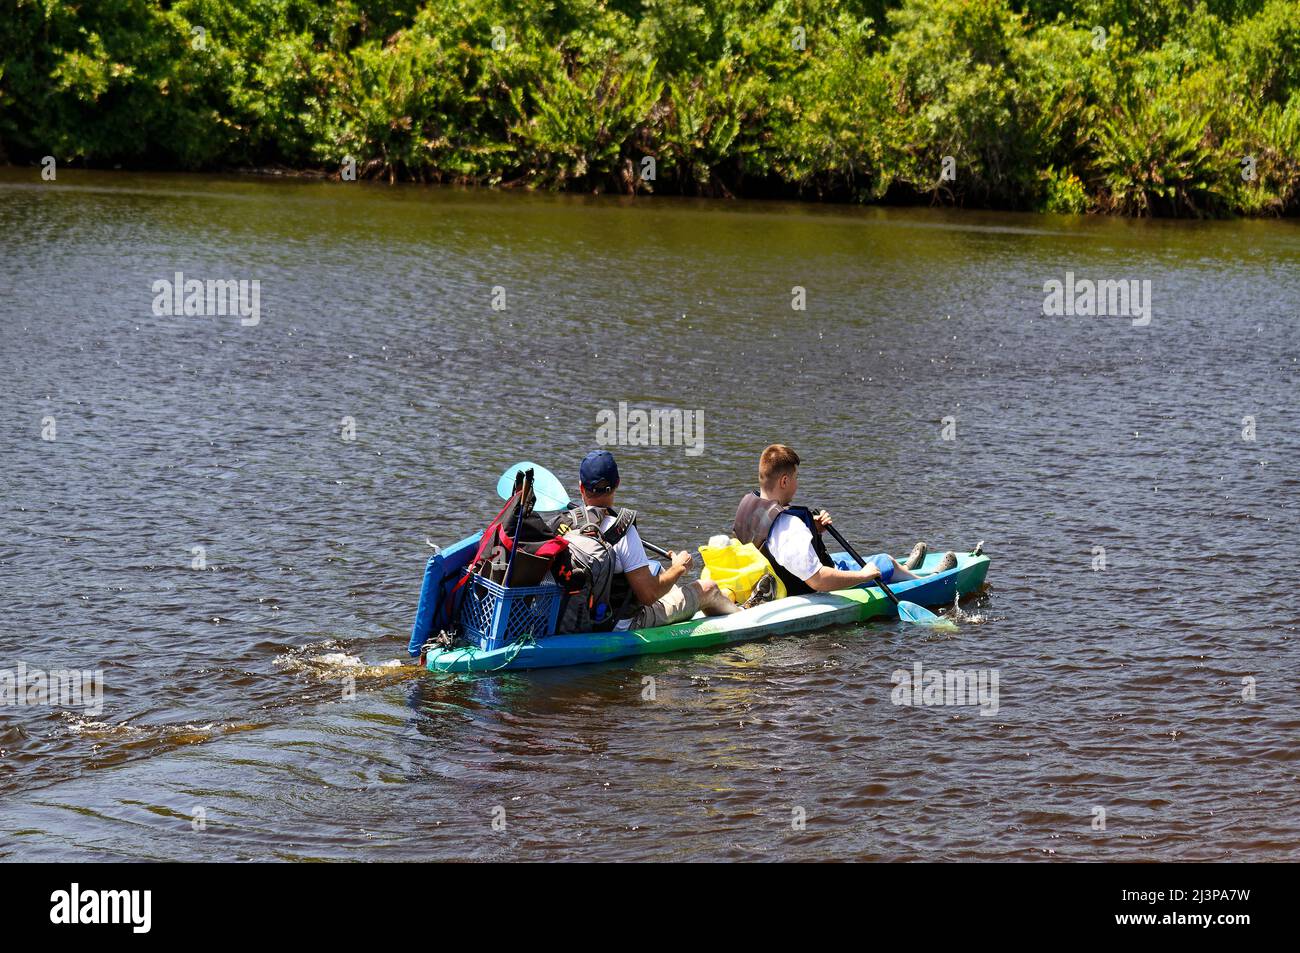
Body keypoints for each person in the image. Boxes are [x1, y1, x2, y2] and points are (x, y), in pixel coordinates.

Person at [732, 444, 956, 597]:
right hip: (808, 587)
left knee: (866, 561)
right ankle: (930, 580)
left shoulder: (750, 506)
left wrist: (814, 529)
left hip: (785, 575)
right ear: (783, 481)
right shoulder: (789, 526)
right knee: (884, 562)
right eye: (795, 478)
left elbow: (772, 546)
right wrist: (862, 576)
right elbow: (817, 580)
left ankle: (905, 569)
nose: (797, 484)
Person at [570, 450, 738, 629]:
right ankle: (745, 617)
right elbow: (648, 596)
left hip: (577, 620)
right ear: (617, 483)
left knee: (655, 568)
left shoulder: (565, 524)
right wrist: (679, 567)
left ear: (581, 487)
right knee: (708, 588)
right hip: (621, 624)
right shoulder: (622, 530)